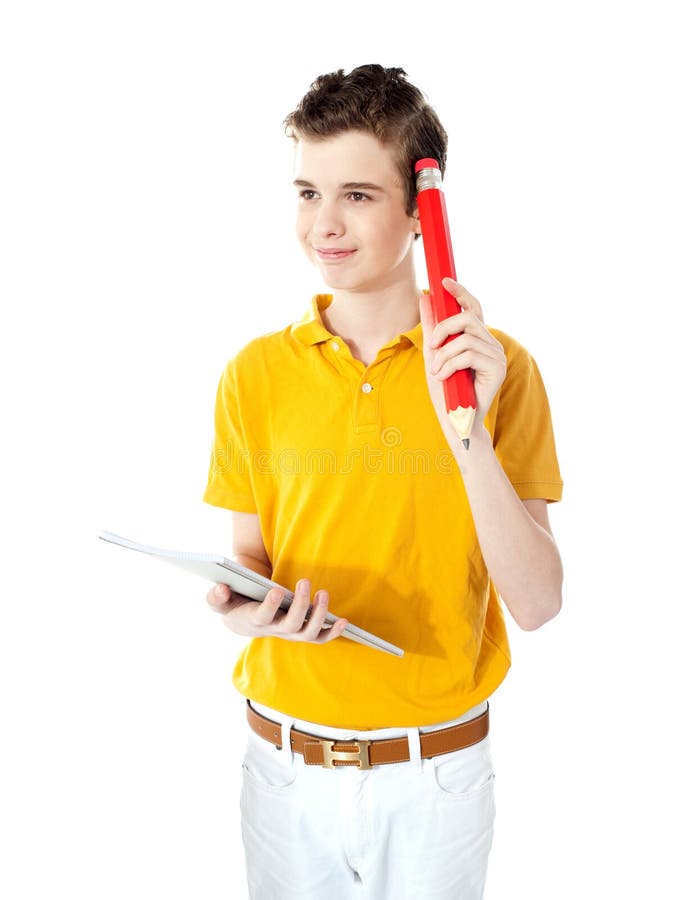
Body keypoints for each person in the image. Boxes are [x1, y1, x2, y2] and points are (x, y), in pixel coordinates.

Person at [203, 64, 563, 899]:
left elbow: (538, 603)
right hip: (284, 772)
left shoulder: (502, 371)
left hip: (435, 779)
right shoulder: (252, 375)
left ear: (419, 208)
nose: (322, 225)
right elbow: (249, 566)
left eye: (357, 195)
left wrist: (462, 426)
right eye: (306, 191)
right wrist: (251, 612)